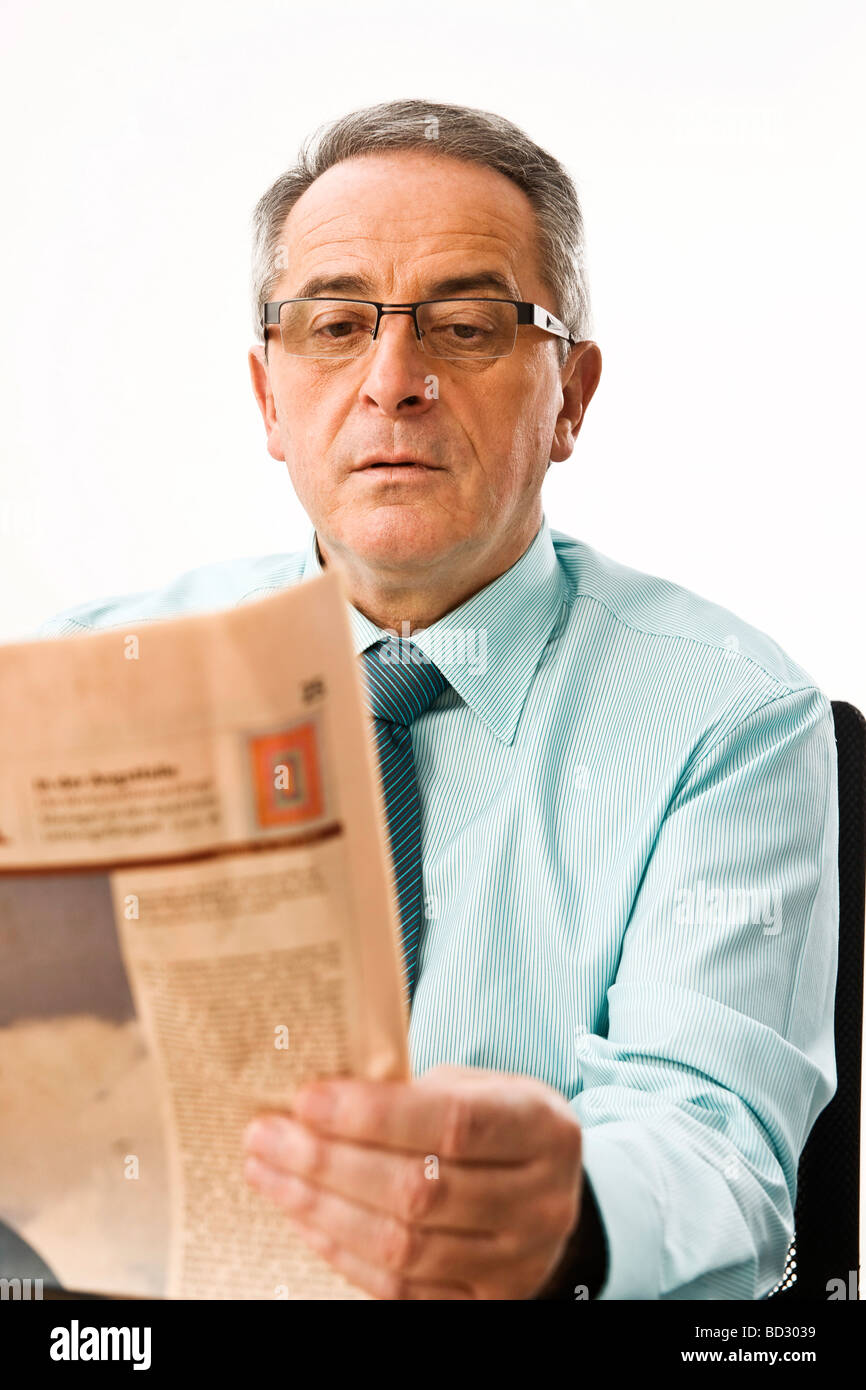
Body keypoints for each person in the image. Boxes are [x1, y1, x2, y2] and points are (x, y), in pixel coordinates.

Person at [37, 98, 839, 1301]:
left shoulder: (728, 714)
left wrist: (561, 1214)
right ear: (266, 398)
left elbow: (713, 1135)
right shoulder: (83, 686)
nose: (391, 381)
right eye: (334, 325)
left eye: (464, 327)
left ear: (569, 395)